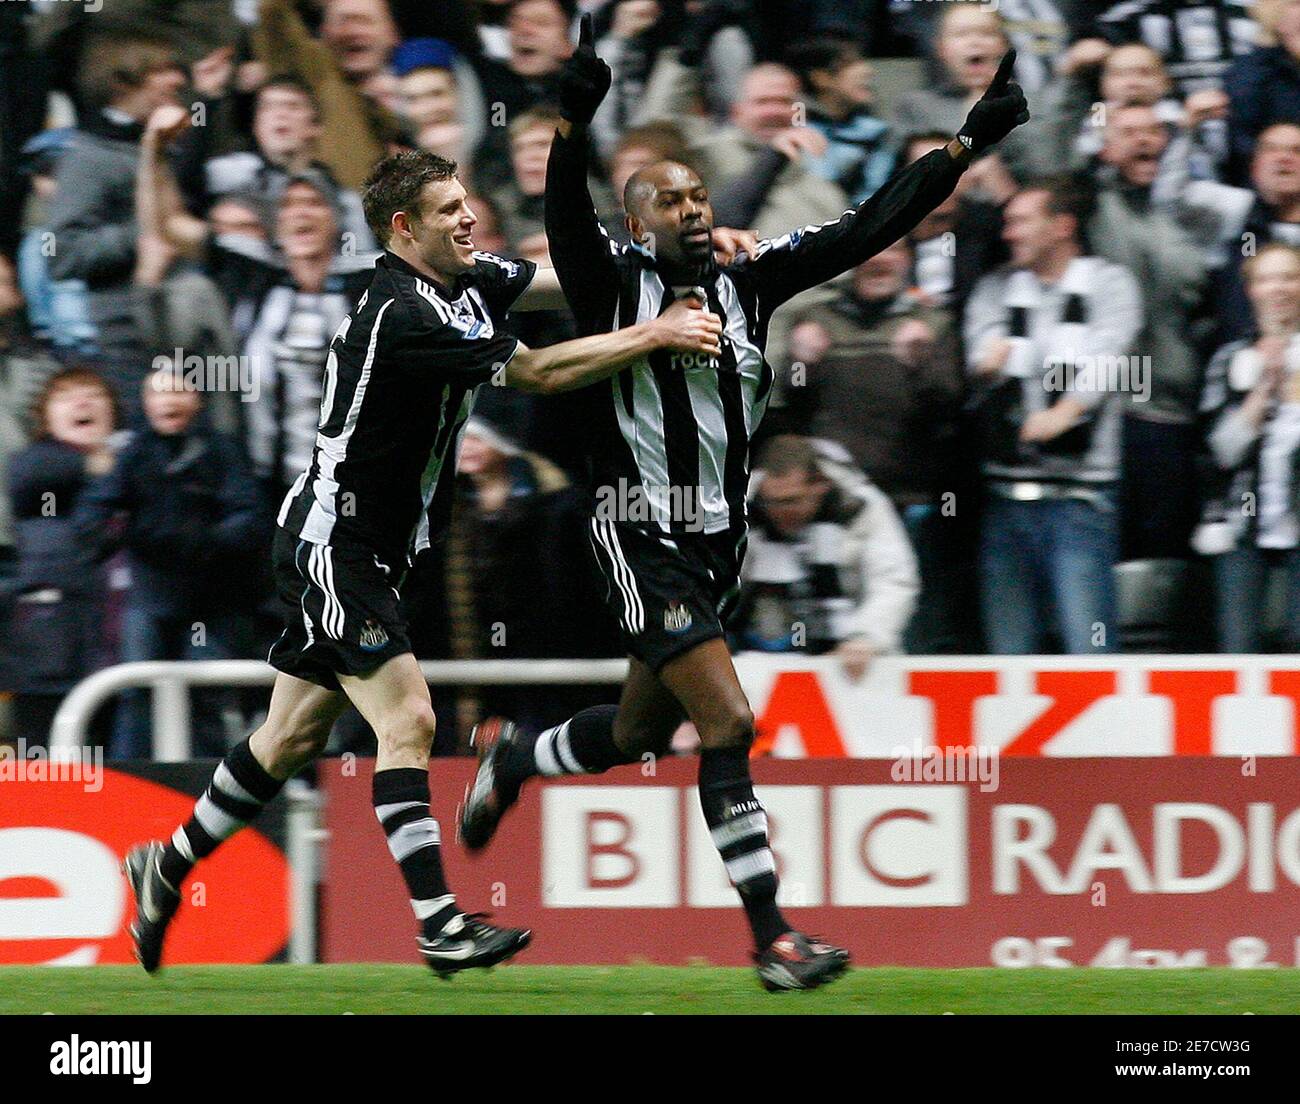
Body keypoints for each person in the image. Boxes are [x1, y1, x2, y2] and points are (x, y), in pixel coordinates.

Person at [458, 19, 1028, 991]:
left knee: (640, 733)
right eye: (668, 199)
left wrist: (967, 146)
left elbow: (866, 227)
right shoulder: (610, 284)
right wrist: (571, 126)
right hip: (637, 529)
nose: (689, 207)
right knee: (725, 724)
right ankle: (773, 940)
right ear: (637, 223)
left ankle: (517, 758)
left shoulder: (748, 278)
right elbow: (563, 221)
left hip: (715, 544)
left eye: (695, 193)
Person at [120, 144, 725, 978]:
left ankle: (167, 864)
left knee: (289, 735)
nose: (469, 218)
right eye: (449, 210)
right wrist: (655, 331)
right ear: (405, 229)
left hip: (375, 548)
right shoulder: (402, 313)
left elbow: (562, 279)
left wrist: (666, 250)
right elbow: (542, 372)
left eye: (467, 202)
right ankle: (440, 924)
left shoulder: (459, 282)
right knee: (408, 722)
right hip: (337, 544)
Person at [964, 176, 1142, 654]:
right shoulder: (995, 289)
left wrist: (1066, 410)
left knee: (1089, 651)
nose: (1010, 233)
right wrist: (985, 363)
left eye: (1022, 221)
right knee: (1009, 659)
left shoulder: (1110, 284)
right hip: (1004, 498)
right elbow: (978, 350)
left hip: (1081, 500)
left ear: (1062, 226)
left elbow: (1110, 362)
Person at [74, 365, 266, 759]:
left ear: (196, 399)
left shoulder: (221, 450)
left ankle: (209, 791)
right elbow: (93, 513)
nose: (168, 401)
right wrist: (118, 535)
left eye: (178, 391)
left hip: (212, 601)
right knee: (136, 696)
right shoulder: (134, 454)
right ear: (145, 402)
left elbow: (250, 518)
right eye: (158, 393)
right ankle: (129, 791)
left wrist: (206, 540)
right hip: (150, 595)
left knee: (206, 698)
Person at [734, 435, 918, 674]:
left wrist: (866, 636)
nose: (780, 512)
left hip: (853, 656)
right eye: (772, 503)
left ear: (819, 485)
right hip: (760, 652)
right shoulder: (743, 507)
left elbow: (893, 580)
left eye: (792, 501)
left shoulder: (863, 506)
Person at [1197, 243, 1300, 651]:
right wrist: (1263, 390)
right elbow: (1220, 452)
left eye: (1289, 277)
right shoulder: (1229, 359)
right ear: (1251, 289)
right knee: (1237, 653)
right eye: (1267, 279)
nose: (1279, 288)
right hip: (1242, 525)